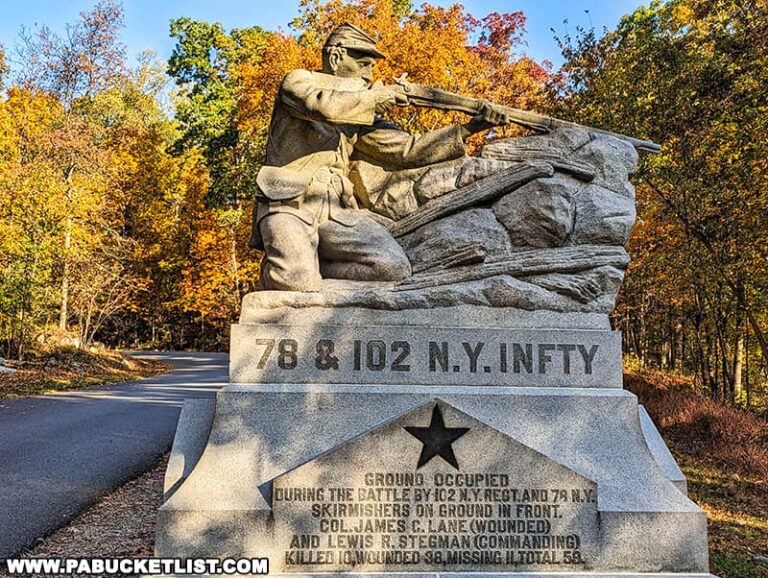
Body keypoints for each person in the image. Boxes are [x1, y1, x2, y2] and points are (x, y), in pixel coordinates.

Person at [250, 23, 508, 291]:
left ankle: (313, 269)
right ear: (336, 57)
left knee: (392, 268)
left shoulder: (361, 109)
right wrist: (377, 97)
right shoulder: (299, 81)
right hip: (289, 203)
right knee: (295, 281)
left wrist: (471, 128)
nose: (369, 73)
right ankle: (296, 272)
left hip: (336, 209)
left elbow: (407, 150)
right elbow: (322, 107)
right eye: (363, 64)